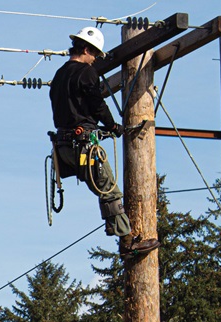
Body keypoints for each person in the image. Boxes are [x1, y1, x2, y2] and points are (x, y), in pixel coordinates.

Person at [49, 27, 159, 258]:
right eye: (95, 55)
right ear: (85, 49)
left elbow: (73, 108)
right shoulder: (86, 73)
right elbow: (97, 104)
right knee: (109, 189)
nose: (95, 60)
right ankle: (128, 242)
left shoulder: (59, 75)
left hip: (64, 148)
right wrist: (112, 126)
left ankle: (115, 227)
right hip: (83, 146)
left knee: (102, 187)